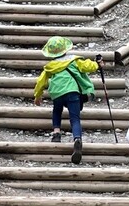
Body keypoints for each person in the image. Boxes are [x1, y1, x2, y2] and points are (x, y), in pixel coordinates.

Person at [32, 35, 98, 164]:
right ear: (65, 49)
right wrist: (97, 64)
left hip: (57, 93)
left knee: (57, 111)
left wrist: (38, 95)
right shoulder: (74, 60)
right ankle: (77, 139)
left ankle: (56, 133)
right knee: (75, 118)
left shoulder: (50, 66)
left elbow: (41, 81)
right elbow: (88, 66)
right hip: (72, 92)